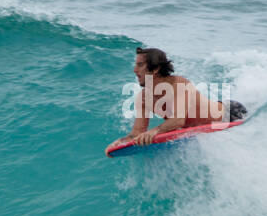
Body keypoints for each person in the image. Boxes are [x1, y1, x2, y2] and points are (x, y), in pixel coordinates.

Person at [106, 47, 247, 153]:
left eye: (140, 65)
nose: (135, 70)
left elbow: (178, 120)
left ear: (155, 69)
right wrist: (122, 142)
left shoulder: (179, 85)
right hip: (207, 122)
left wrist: (154, 131)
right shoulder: (143, 98)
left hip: (230, 114)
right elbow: (137, 132)